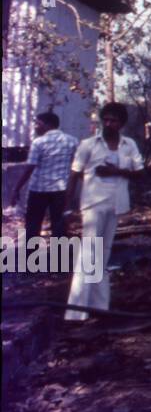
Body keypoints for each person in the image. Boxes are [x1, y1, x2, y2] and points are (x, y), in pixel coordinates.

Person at [64, 103, 144, 322]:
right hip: (93, 204)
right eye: (105, 119)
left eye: (113, 120)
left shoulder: (129, 145)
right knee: (88, 254)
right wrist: (68, 207)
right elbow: (74, 174)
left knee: (103, 255)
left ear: (121, 123)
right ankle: (76, 312)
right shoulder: (88, 144)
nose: (108, 124)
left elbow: (139, 172)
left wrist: (116, 171)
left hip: (116, 205)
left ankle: (99, 306)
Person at [13, 112, 79, 244]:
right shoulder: (72, 141)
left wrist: (16, 188)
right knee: (58, 224)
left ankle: (31, 259)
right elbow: (76, 166)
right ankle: (58, 260)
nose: (35, 127)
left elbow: (29, 168)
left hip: (38, 190)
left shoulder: (38, 142)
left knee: (33, 224)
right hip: (60, 190)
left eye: (38, 124)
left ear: (48, 125)